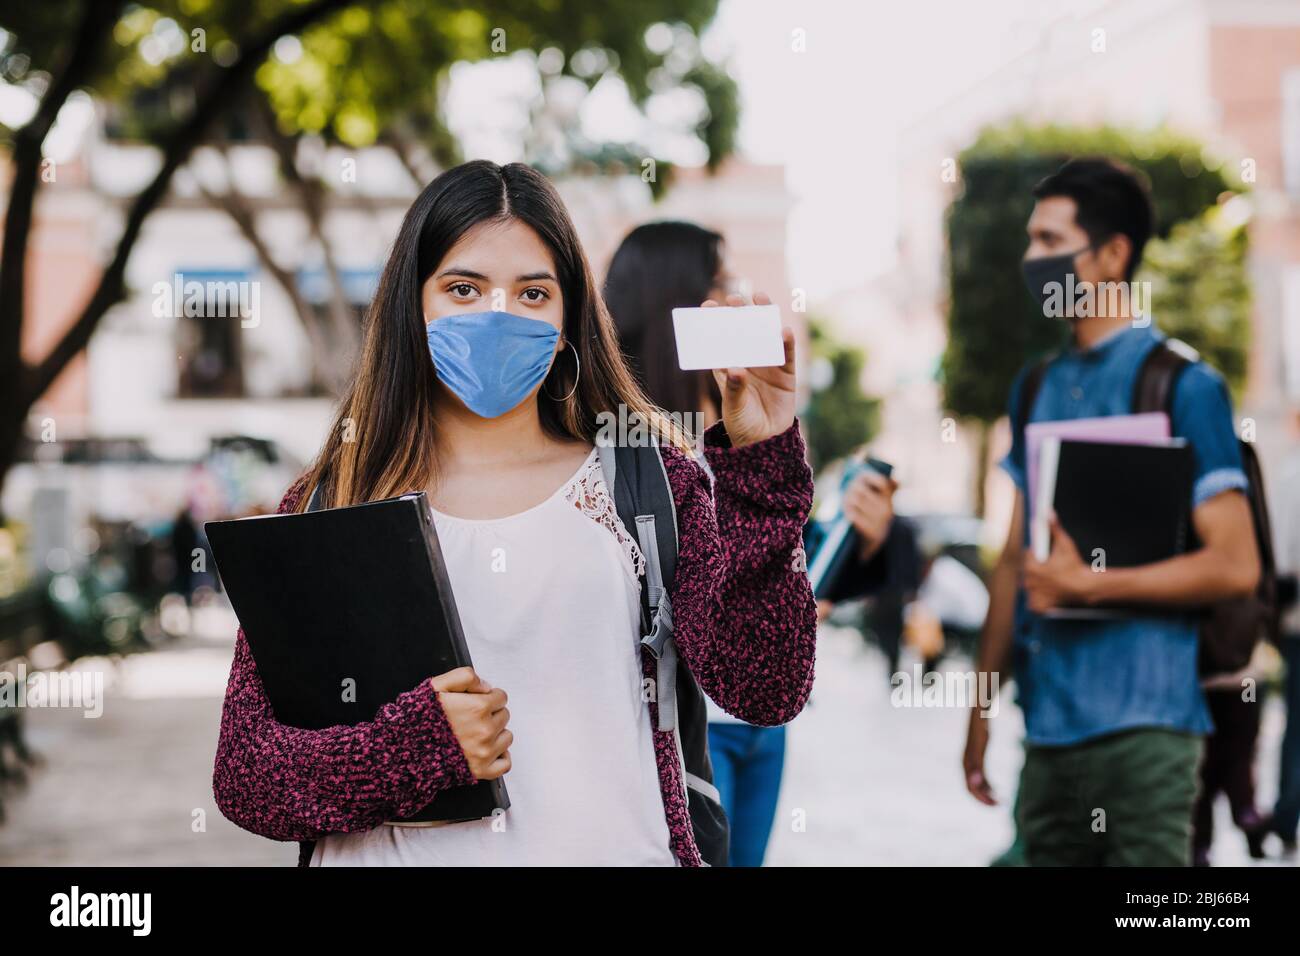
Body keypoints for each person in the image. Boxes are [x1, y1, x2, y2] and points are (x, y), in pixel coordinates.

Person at [212, 161, 818, 867]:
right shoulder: (331, 499)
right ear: (414, 303)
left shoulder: (652, 483)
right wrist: (411, 751)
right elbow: (246, 774)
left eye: (533, 292)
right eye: (463, 288)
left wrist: (761, 464)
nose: (497, 315)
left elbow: (767, 687)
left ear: (569, 319)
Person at [962, 157, 1261, 867]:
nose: (1031, 259)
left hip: (1148, 736)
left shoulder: (1184, 386)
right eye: (1030, 240)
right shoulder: (1035, 386)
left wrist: (1091, 585)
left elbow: (1236, 564)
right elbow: (1012, 563)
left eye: (1049, 240)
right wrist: (978, 709)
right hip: (1048, 734)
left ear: (1113, 254)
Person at [603, 220, 893, 866]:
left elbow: (787, 574)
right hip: (686, 733)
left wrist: (858, 547)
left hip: (762, 723)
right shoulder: (615, 455)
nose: (734, 299)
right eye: (717, 283)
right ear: (667, 303)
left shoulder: (745, 431)